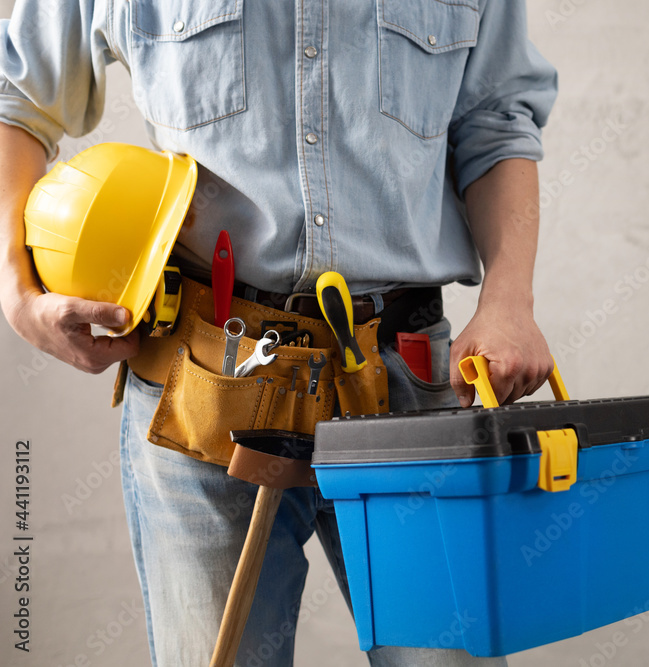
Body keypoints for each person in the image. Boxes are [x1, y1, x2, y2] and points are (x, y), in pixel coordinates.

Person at [0, 1, 557, 665]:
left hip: (406, 390)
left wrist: (510, 299)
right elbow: (16, 97)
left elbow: (496, 124)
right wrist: (16, 292)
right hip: (200, 384)